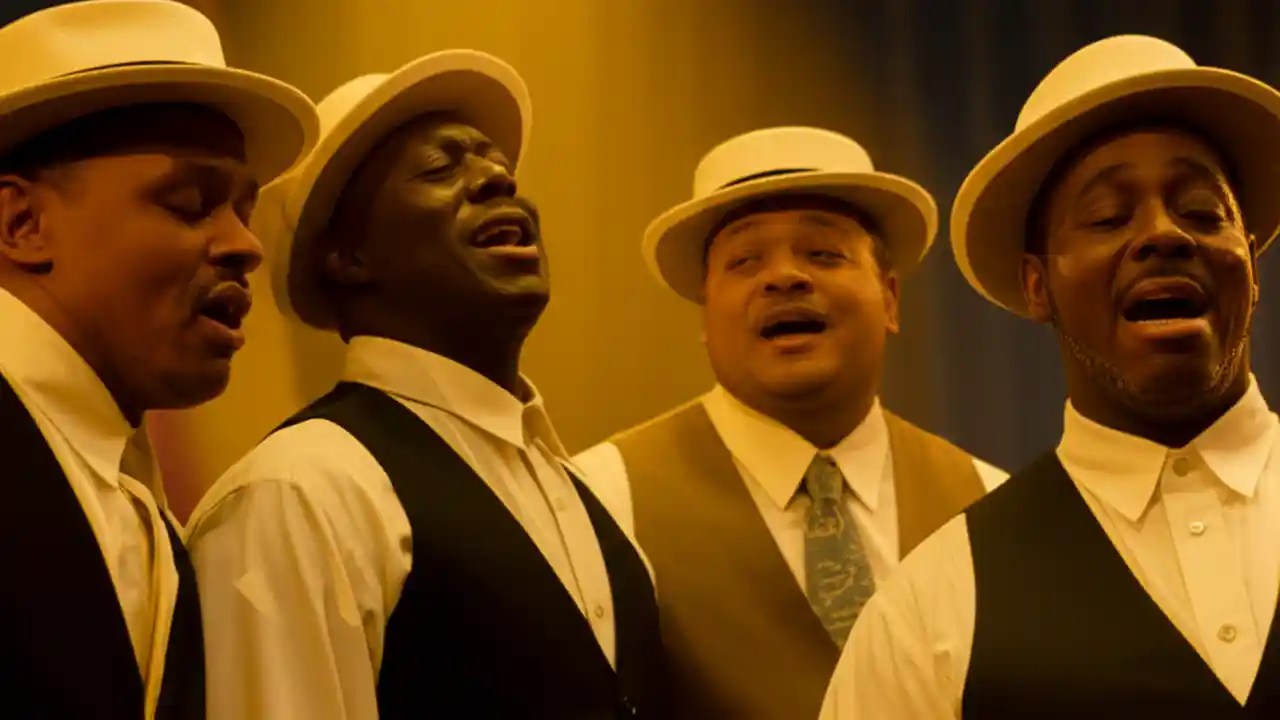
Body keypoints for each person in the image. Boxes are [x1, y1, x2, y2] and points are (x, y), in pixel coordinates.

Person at [185, 51, 667, 719]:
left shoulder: (584, 497)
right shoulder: (302, 491)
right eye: (441, 168)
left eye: (498, 165)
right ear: (347, 257)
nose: (497, 178)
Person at [822, 34, 1280, 718]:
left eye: (1201, 212)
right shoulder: (931, 608)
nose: (1164, 234)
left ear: (1251, 263)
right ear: (1038, 286)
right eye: (1107, 216)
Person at [575, 126, 1005, 719]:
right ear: (705, 316)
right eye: (744, 261)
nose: (783, 278)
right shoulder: (598, 505)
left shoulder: (989, 503)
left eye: (823, 254)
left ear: (890, 299)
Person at [0, 1, 316, 718]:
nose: (246, 245)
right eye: (190, 203)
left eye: (244, 210)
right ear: (23, 223)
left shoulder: (147, 512)